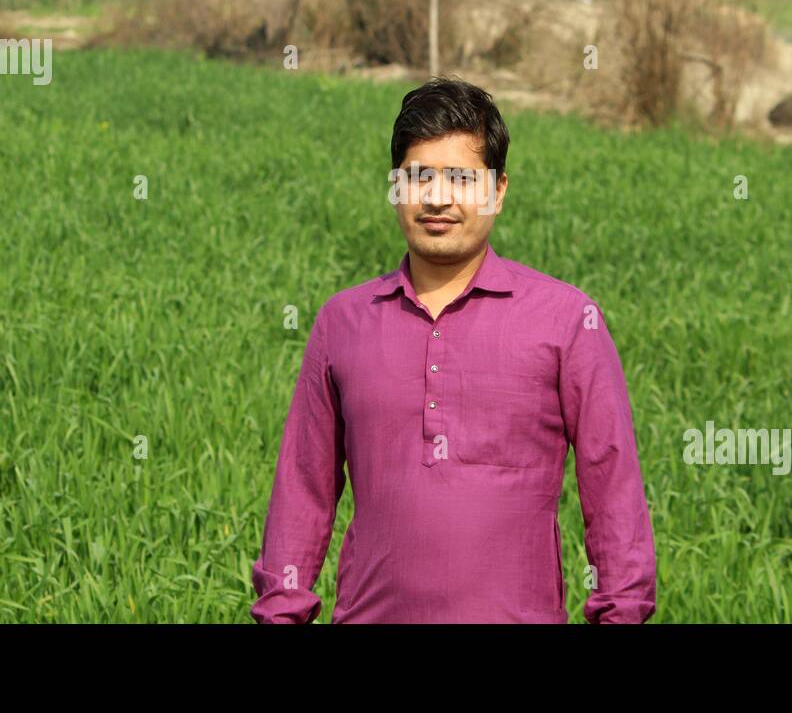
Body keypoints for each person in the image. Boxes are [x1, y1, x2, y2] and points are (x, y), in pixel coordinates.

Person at [250, 76, 656, 623]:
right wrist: (280, 613)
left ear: (499, 189)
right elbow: (303, 488)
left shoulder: (565, 320)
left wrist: (622, 613)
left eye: (462, 179)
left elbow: (613, 486)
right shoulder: (343, 322)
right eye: (418, 177)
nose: (438, 197)